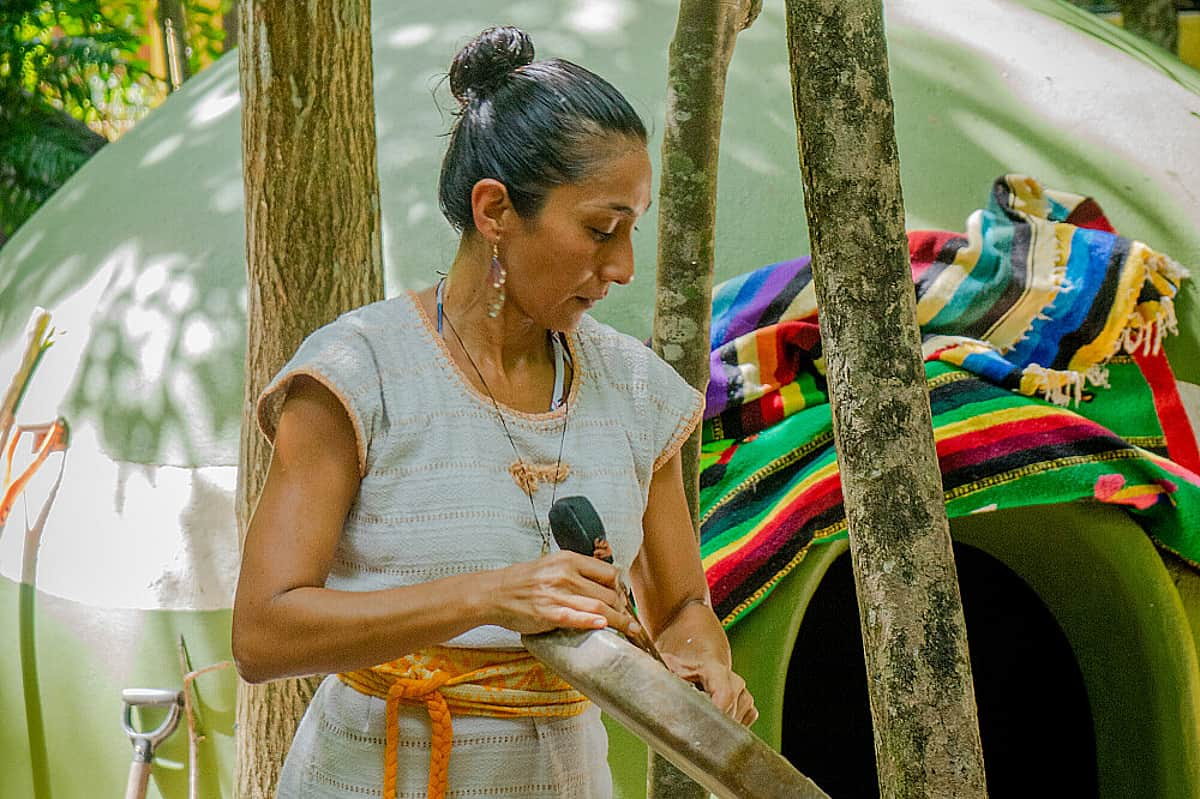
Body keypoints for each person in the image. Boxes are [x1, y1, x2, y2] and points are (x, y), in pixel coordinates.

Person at [231, 25, 756, 799]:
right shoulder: (358, 372)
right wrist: (490, 595)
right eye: (600, 229)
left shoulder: (635, 392)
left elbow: (680, 603)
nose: (623, 267)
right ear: (495, 210)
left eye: (631, 230)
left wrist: (699, 656)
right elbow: (262, 632)